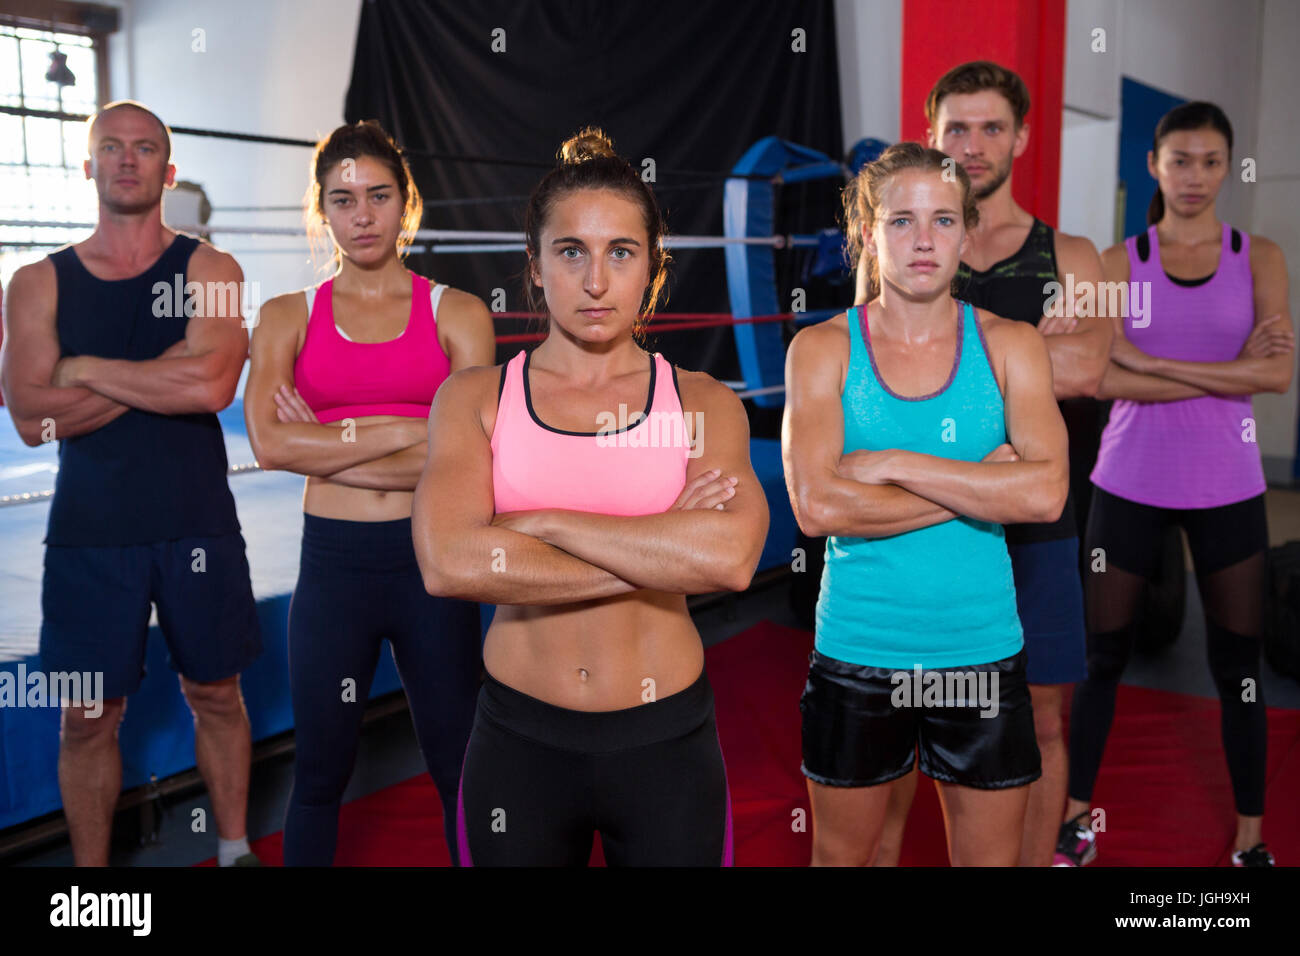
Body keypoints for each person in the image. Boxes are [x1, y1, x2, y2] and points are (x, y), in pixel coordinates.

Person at [414, 128, 769, 866]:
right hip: (520, 744)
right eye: (571, 251)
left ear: (653, 270)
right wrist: (665, 544)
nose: (596, 281)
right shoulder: (477, 397)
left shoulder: (701, 400)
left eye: (621, 252)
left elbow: (731, 560)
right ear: (536, 269)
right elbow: (450, 562)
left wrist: (540, 523)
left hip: (665, 742)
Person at [785, 141, 1069, 866]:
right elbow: (816, 508)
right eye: (901, 221)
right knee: (843, 859)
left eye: (943, 221)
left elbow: (1045, 493)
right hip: (858, 648)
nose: (922, 241)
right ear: (866, 235)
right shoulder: (822, 349)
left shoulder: (1011, 345)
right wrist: (978, 481)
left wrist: (892, 464)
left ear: (968, 235)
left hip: (977, 650)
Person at [0, 100, 261, 866]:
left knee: (217, 694)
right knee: (86, 715)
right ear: (87, 166)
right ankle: (90, 884)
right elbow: (30, 418)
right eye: (109, 147)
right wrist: (166, 373)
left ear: (167, 171)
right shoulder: (36, 283)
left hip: (197, 524)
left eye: (144, 148)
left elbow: (214, 388)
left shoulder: (211, 269)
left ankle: (236, 850)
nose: (125, 159)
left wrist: (81, 371)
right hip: (89, 533)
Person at [866, 61, 1113, 868]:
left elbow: (1090, 371)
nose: (973, 146)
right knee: (899, 715)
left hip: (1034, 521)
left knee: (1040, 717)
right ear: (932, 136)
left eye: (991, 128)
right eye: (956, 130)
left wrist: (1023, 362)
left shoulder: (1073, 254)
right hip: (915, 521)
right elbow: (875, 368)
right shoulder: (907, 244)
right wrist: (1028, 353)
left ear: (1023, 137)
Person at [244, 120, 494, 866]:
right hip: (334, 568)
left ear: (405, 204)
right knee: (320, 770)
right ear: (322, 209)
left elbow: (470, 457)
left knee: (460, 765)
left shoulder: (459, 313)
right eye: (343, 198)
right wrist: (411, 431)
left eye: (378, 195)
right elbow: (268, 445)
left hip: (430, 559)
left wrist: (327, 447)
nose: (361, 215)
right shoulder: (287, 316)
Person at [1059, 102, 1293, 868]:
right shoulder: (1118, 263)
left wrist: (1152, 364)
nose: (1195, 176)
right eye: (1180, 161)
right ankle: (1075, 820)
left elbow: (1280, 373)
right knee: (1100, 660)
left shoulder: (1259, 255)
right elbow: (1096, 375)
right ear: (1155, 166)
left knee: (1239, 670)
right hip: (1128, 479)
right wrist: (1230, 376)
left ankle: (1252, 835)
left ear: (1229, 168)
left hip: (1228, 483)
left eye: (1211, 161)